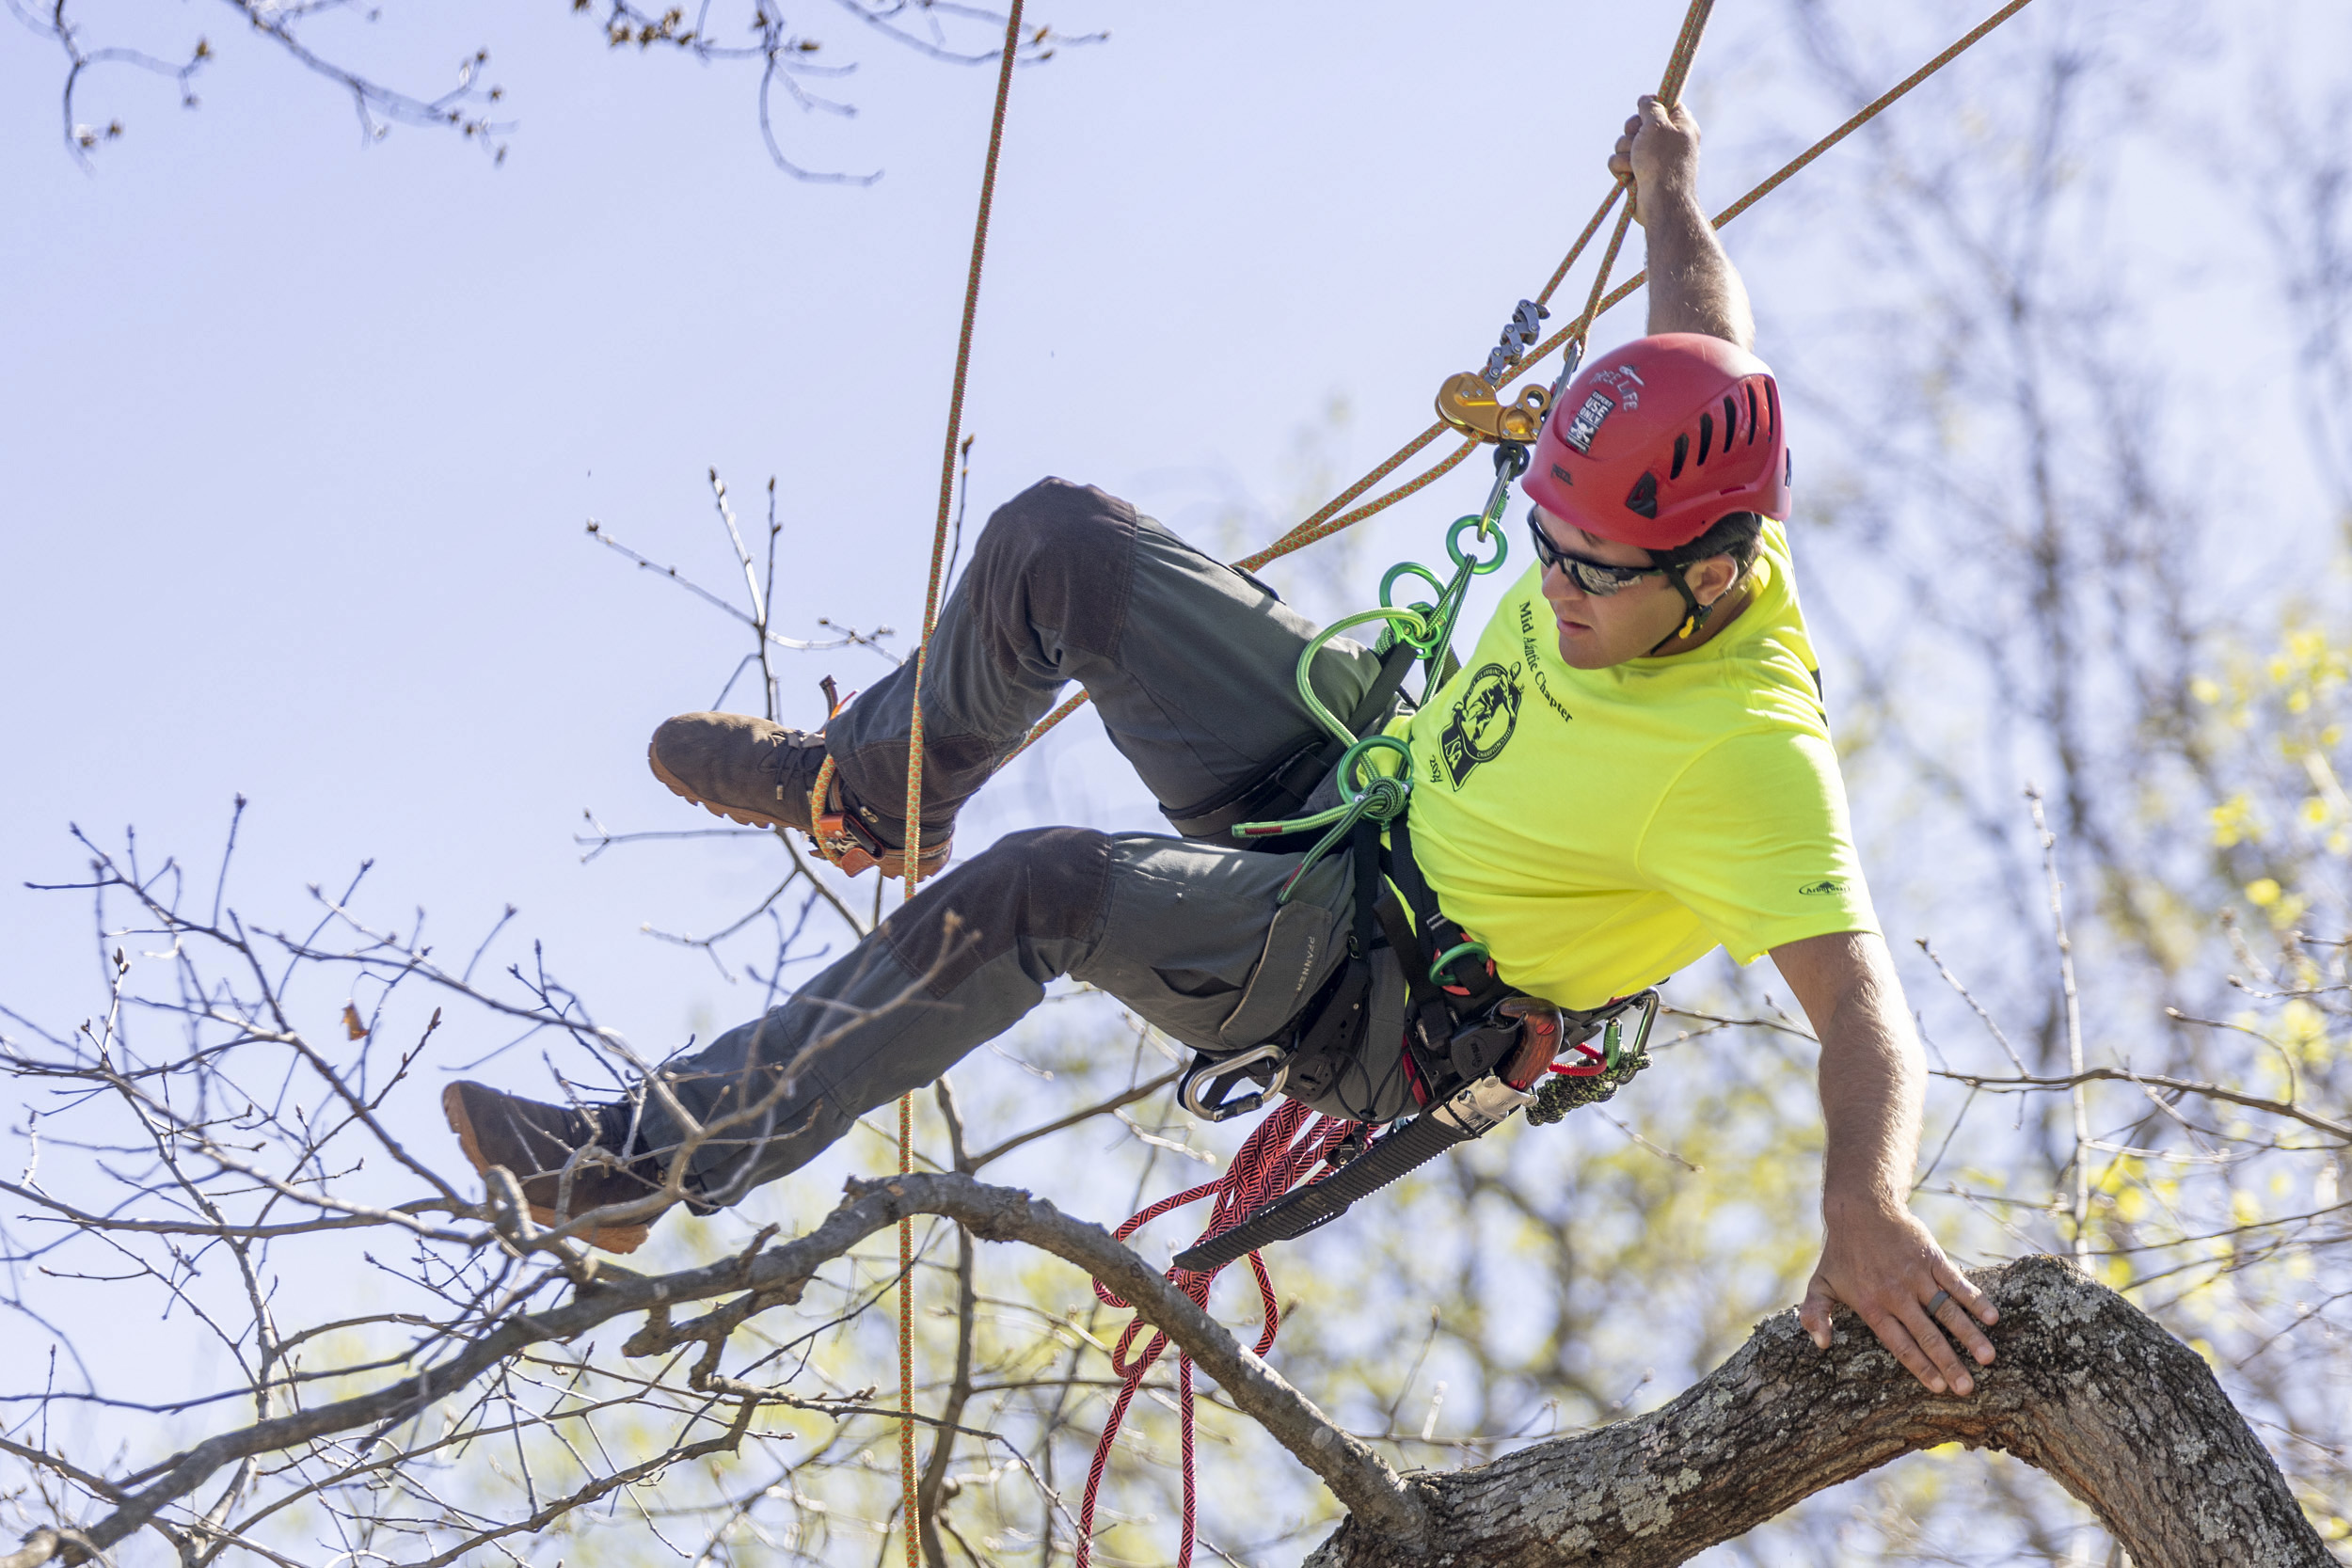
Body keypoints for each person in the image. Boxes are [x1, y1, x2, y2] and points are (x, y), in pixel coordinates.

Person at [443, 96, 2001, 1398]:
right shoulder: (1688, 489)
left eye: (1594, 572)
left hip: (1376, 975)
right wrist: (1670, 184)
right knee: (1061, 543)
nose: (1556, 587)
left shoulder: (1745, 759)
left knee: (1044, 890)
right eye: (1549, 544)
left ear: (1715, 572)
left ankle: (646, 1161)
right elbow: (1703, 326)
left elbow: (1867, 1014)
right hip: (1362, 776)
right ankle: (870, 787)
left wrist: (1865, 1202)